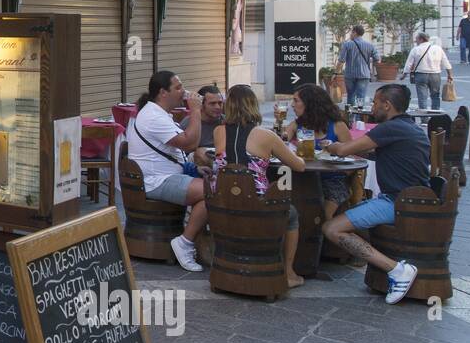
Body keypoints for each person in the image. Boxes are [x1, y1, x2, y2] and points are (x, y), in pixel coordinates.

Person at [321, 84, 429, 304]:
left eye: (376, 102)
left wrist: (329, 145)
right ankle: (384, 262)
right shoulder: (408, 127)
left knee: (331, 228)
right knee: (350, 213)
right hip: (412, 199)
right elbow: (370, 151)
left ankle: (397, 270)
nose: (372, 107)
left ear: (387, 105)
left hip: (397, 202)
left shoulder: (389, 129)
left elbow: (343, 150)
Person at [212, 85, 307, 288]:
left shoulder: (218, 132)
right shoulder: (266, 136)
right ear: (253, 106)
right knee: (291, 213)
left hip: (223, 204)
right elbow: (298, 166)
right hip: (257, 207)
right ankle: (289, 273)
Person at [125, 70, 206, 272]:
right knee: (211, 191)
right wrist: (195, 111)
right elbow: (190, 143)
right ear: (163, 92)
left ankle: (190, 241)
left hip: (166, 175)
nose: (183, 91)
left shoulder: (159, 114)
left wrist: (194, 167)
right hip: (157, 181)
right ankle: (185, 243)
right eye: (178, 87)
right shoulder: (153, 117)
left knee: (212, 188)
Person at [283, 83, 354, 221]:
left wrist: (332, 167)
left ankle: (322, 240)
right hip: (303, 178)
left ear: (310, 104)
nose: (292, 105)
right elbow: (280, 143)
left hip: (333, 181)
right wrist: (279, 122)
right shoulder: (297, 124)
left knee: (322, 215)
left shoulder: (337, 126)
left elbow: (350, 162)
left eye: (296, 100)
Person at [400, 32, 452, 110]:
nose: (415, 41)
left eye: (416, 39)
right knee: (435, 96)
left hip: (421, 75)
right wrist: (450, 75)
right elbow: (445, 62)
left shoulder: (415, 49)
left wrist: (404, 75)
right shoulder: (438, 48)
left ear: (421, 39)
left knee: (422, 97)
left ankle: (424, 119)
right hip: (435, 75)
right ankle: (435, 117)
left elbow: (409, 64)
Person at [334, 24, 377, 105]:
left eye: (351, 32)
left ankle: (351, 116)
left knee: (350, 96)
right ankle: (359, 116)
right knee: (361, 97)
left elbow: (341, 61)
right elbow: (377, 59)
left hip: (350, 75)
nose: (350, 34)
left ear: (355, 33)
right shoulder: (370, 45)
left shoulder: (347, 45)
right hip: (364, 75)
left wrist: (335, 73)